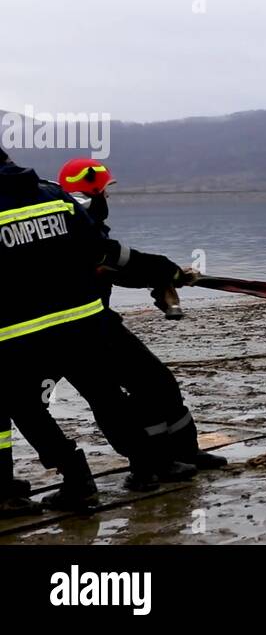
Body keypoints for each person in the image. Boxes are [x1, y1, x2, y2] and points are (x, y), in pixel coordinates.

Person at [0, 147, 192, 516]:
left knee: (27, 409)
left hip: (19, 334)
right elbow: (102, 252)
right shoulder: (51, 194)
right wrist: (161, 269)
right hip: (86, 323)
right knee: (106, 395)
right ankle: (146, 464)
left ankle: (77, 479)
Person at [56, 159, 226, 475]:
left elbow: (113, 271)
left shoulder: (85, 225)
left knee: (156, 382)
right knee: (110, 401)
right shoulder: (73, 230)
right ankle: (148, 464)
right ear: (92, 192)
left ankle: (184, 453)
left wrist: (163, 278)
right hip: (69, 333)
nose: (108, 196)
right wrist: (166, 270)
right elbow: (118, 260)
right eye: (105, 191)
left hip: (99, 322)